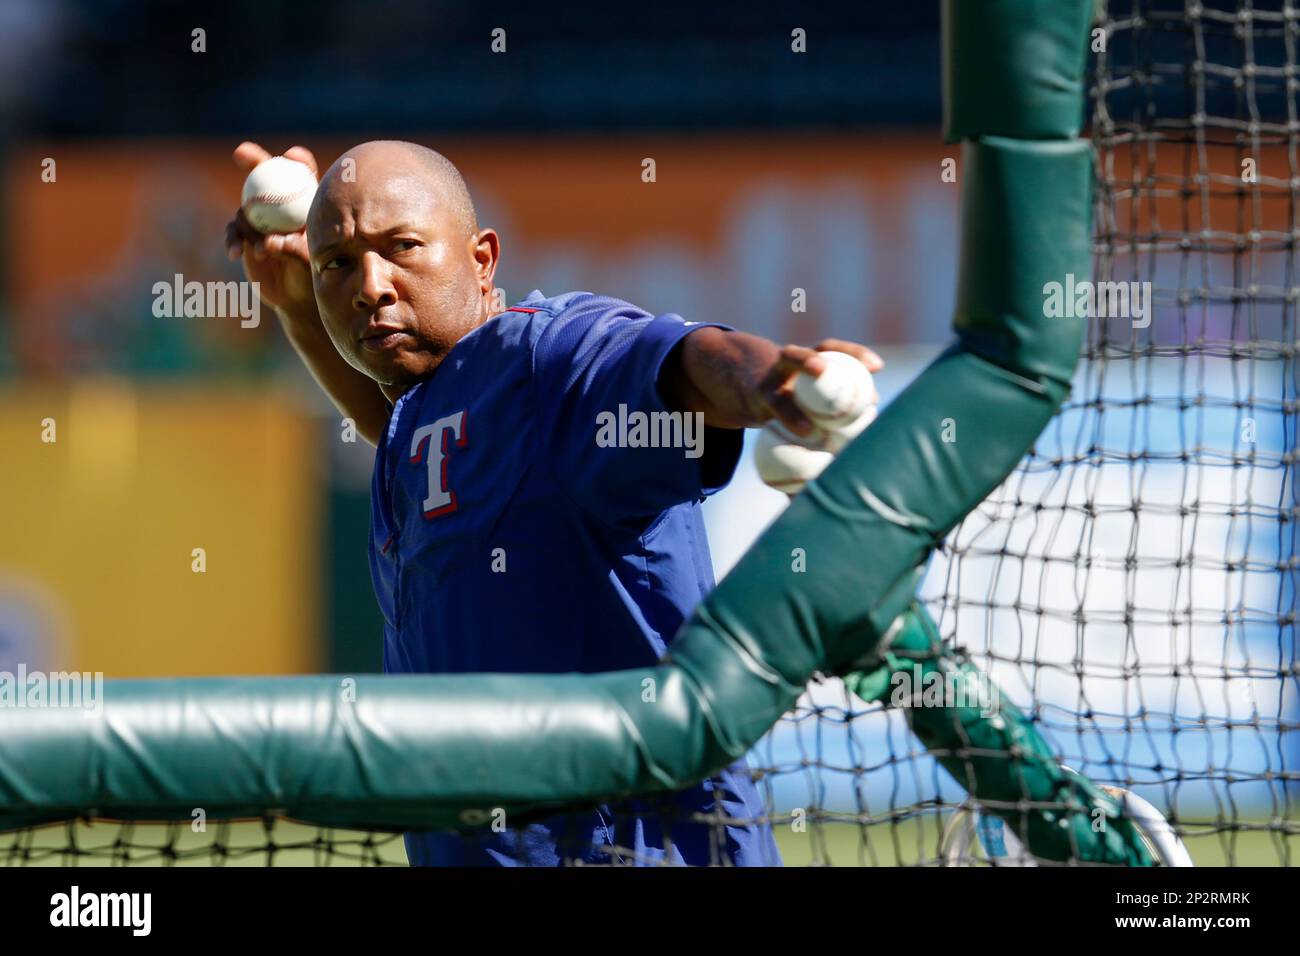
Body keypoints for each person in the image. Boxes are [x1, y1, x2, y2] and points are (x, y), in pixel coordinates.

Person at [225, 139, 882, 866]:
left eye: (403, 247)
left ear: (482, 260)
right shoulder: (428, 417)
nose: (371, 286)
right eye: (336, 265)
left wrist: (766, 383)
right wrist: (294, 306)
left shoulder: (552, 361)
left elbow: (682, 363)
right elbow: (432, 444)